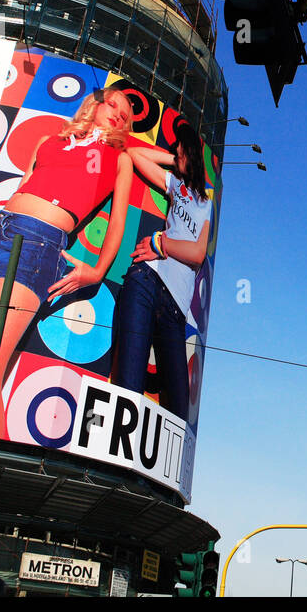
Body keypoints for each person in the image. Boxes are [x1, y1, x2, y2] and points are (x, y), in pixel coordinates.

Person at [0, 88, 135, 438]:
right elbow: (24, 186)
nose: (118, 116)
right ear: (95, 103)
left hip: (38, 243)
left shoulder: (119, 158)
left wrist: (96, 271)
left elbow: (118, 225)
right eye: (113, 105)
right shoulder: (49, 140)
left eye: (125, 116)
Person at [112, 121, 212, 421]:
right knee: (128, 385)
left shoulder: (206, 200)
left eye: (180, 148)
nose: (176, 151)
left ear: (191, 151)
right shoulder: (174, 185)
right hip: (146, 279)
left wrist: (162, 241)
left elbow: (196, 253)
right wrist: (174, 159)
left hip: (176, 308)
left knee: (179, 409)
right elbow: (133, 152)